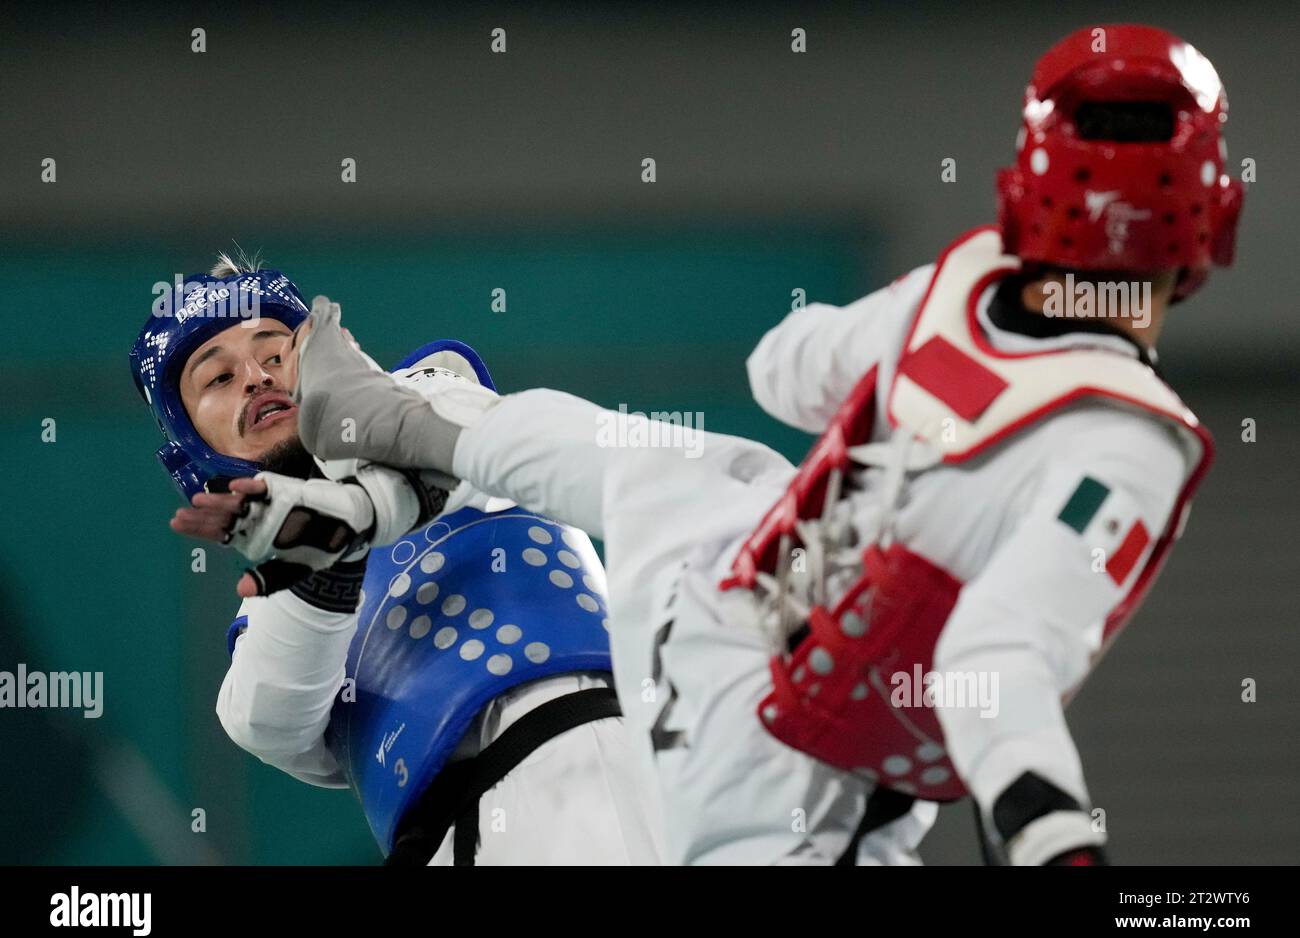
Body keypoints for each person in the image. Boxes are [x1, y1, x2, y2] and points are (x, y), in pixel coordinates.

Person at [236, 23, 1243, 865]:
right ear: (1210, 220)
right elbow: (997, 656)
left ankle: (413, 423)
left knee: (680, 472)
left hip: (701, 618)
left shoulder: (962, 284)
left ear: (1024, 183)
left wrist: (922, 412)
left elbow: (783, 369)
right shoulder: (1131, 442)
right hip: (797, 774)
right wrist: (1051, 835)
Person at [130, 256, 662, 865]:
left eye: (274, 353)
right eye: (219, 379)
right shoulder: (266, 631)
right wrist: (320, 562)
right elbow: (269, 719)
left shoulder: (432, 393)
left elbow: (481, 439)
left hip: (598, 768)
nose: (256, 377)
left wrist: (357, 496)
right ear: (194, 447)